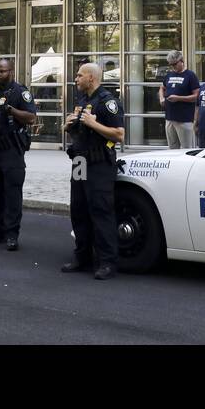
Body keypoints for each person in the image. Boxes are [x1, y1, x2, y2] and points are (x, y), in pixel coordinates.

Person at [62, 62, 124, 280]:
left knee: (100, 210)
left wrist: (92, 123)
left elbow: (118, 135)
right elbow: (80, 133)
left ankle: (107, 262)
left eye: (79, 75)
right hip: (80, 161)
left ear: (91, 78)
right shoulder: (83, 100)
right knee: (78, 208)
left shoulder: (108, 102)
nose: (76, 79)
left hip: (99, 163)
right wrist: (70, 125)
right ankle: (82, 256)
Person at [0, 58, 37, 250]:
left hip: (12, 150)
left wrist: (12, 110)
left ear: (11, 71)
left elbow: (31, 117)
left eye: (2, 71)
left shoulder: (21, 92)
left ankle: (12, 234)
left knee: (12, 193)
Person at [158, 50, 199, 149]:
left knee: (187, 148)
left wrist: (178, 98)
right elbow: (161, 88)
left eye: (175, 64)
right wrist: (162, 98)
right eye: (171, 65)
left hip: (184, 119)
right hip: (169, 118)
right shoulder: (169, 75)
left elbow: (196, 96)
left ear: (182, 61)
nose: (173, 67)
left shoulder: (190, 75)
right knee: (172, 148)